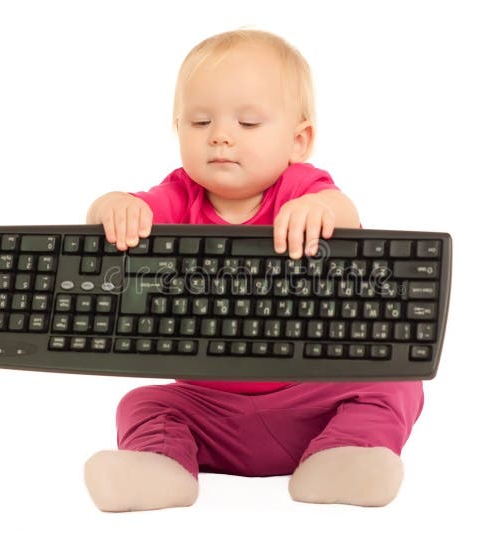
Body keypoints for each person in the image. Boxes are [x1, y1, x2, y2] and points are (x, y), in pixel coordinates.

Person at [83, 29, 424, 512]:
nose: (220, 135)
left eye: (247, 122)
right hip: (208, 410)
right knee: (141, 403)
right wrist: (112, 206)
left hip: (310, 405)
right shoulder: (179, 195)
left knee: (398, 382)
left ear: (298, 140)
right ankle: (161, 467)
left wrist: (320, 211)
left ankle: (343, 456)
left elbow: (343, 211)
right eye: (200, 122)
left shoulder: (302, 188)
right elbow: (125, 212)